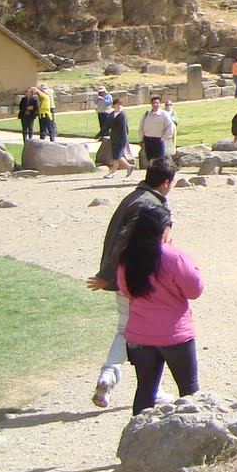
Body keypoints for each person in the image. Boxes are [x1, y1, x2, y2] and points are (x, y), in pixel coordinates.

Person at [87, 156, 177, 408]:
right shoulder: (151, 206)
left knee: (125, 330)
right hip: (143, 281)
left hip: (123, 278)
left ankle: (108, 376)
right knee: (153, 334)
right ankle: (153, 388)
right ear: (167, 183)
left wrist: (108, 275)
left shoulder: (133, 198)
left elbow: (114, 239)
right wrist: (109, 277)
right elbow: (126, 242)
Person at [118, 200, 202, 415]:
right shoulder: (174, 257)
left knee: (145, 391)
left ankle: (136, 440)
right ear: (163, 229)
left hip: (140, 336)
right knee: (190, 391)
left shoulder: (128, 257)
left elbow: (126, 291)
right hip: (175, 336)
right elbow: (195, 290)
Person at [103, 96, 134, 179]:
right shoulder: (111, 115)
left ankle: (113, 172)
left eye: (120, 104)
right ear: (114, 105)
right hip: (114, 138)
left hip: (121, 139)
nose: (119, 106)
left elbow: (124, 129)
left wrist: (124, 140)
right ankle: (129, 167)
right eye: (117, 104)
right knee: (117, 156)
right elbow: (108, 126)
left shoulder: (122, 115)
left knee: (117, 156)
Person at [138, 95, 173, 163]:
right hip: (148, 140)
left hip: (158, 140)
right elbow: (141, 127)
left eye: (157, 103)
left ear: (160, 103)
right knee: (150, 160)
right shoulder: (147, 114)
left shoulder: (164, 114)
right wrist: (141, 139)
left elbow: (170, 127)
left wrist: (163, 138)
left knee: (159, 161)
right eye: (153, 103)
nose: (155, 104)